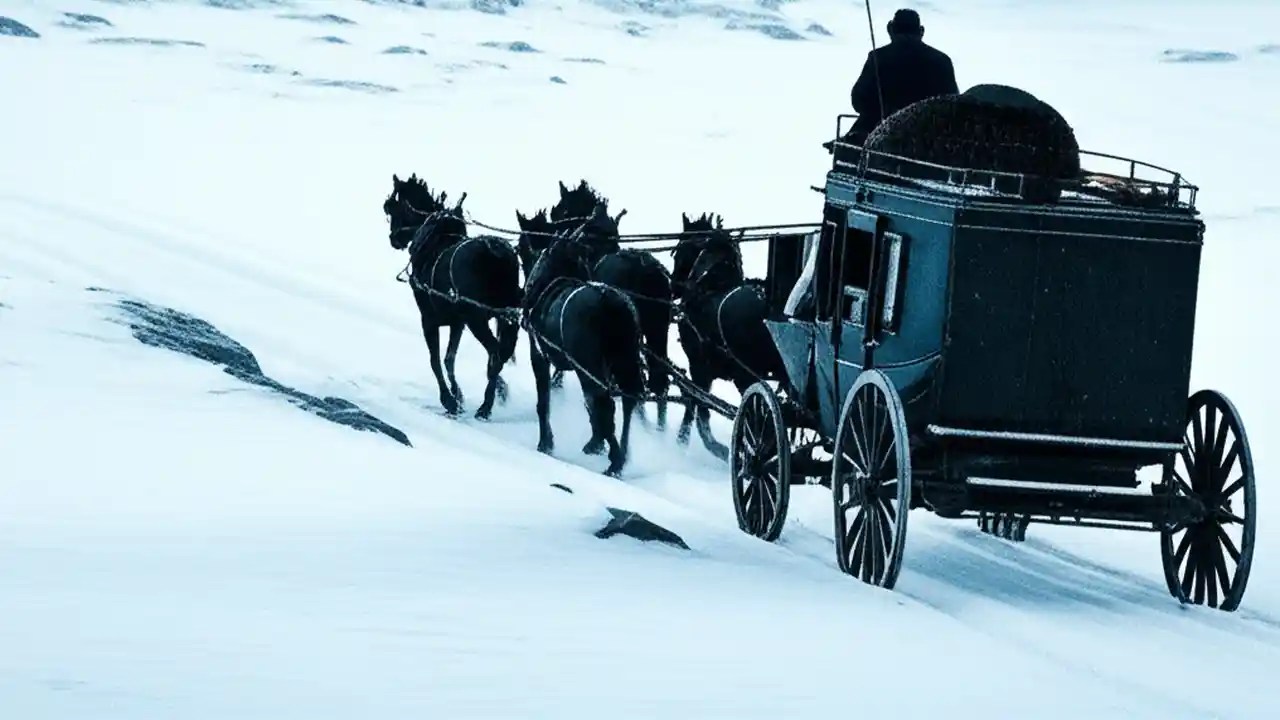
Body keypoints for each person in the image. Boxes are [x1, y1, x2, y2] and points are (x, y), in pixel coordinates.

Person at [827, 9, 958, 152]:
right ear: (921, 31)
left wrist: (882, 113)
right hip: (930, 141)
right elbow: (953, 104)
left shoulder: (879, 57)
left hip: (878, 137)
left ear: (891, 30)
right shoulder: (942, 61)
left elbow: (859, 99)